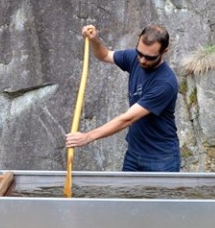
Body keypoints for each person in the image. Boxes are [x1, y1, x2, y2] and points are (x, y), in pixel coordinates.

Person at [65, 24, 181, 172]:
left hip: (161, 159)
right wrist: (95, 40)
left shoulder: (165, 83)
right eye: (140, 53)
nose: (143, 60)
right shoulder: (134, 57)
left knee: (159, 195)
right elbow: (105, 55)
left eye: (150, 57)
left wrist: (88, 137)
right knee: (127, 195)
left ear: (165, 51)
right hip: (134, 154)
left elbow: (127, 119)